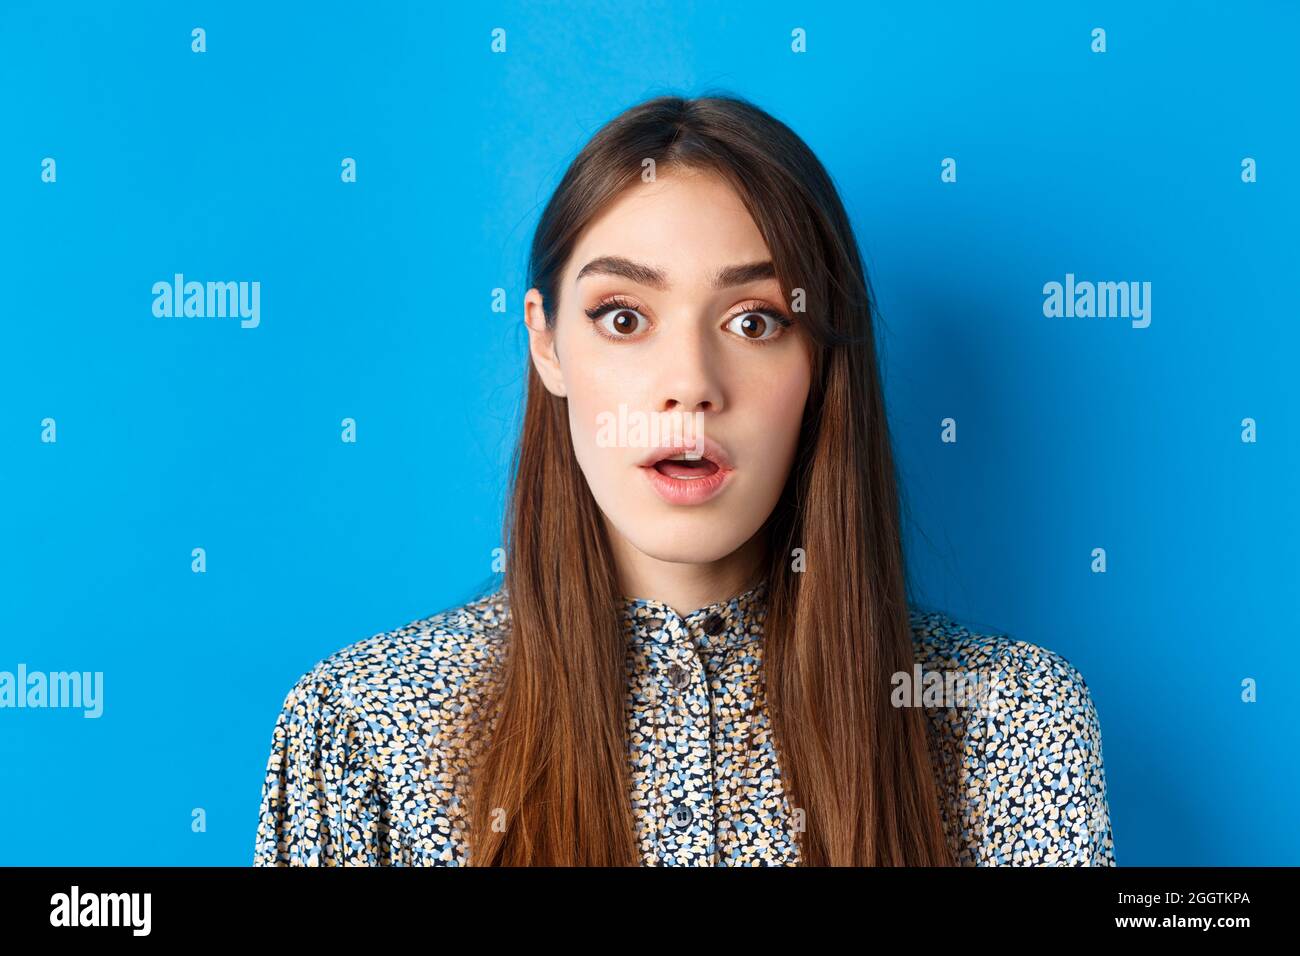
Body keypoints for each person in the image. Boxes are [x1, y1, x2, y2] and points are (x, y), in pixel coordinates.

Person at [253, 93, 1116, 867]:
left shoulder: (1010, 725)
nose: (692, 382)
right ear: (547, 344)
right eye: (624, 317)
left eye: (755, 320)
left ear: (820, 361)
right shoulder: (361, 730)